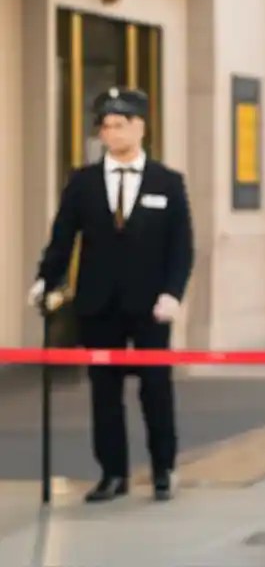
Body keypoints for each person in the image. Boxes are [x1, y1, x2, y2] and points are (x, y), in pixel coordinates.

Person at [29, 87, 194, 503]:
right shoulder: (82, 183)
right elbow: (63, 237)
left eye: (120, 124)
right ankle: (113, 473)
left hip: (150, 305)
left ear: (140, 128)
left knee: (155, 388)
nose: (112, 133)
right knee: (104, 392)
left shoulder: (167, 182)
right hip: (99, 303)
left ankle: (163, 468)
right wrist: (46, 279)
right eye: (105, 126)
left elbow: (181, 247)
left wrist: (173, 293)